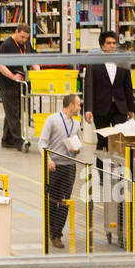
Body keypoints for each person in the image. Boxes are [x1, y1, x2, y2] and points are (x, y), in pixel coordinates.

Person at [38, 94, 82, 249]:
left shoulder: (76, 124)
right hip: (54, 166)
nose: (80, 108)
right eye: (78, 105)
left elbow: (78, 145)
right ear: (70, 105)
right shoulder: (52, 120)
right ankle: (50, 228)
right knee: (52, 200)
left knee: (64, 202)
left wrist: (76, 150)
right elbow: (42, 143)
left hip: (69, 167)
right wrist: (47, 159)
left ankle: (57, 234)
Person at [83, 30, 135, 153]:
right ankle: (101, 166)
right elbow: (89, 86)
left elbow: (128, 86)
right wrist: (88, 109)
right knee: (102, 141)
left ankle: (118, 166)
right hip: (101, 108)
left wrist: (131, 108)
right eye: (109, 43)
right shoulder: (94, 63)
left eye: (113, 43)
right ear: (102, 45)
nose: (112, 46)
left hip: (120, 107)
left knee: (119, 141)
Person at [0, 23, 33, 151]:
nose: (24, 40)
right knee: (13, 114)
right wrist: (12, 76)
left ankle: (7, 140)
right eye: (22, 37)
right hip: (8, 85)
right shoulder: (7, 44)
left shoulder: (27, 44)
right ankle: (19, 142)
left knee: (12, 113)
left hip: (21, 84)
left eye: (26, 38)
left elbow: (33, 59)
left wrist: (38, 73)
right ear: (16, 32)